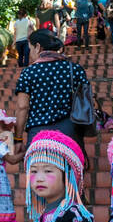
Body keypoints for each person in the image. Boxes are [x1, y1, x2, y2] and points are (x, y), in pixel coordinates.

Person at [12, 29, 95, 174]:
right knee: (70, 175)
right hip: (69, 130)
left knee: (43, 179)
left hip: (38, 133)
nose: (29, 52)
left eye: (30, 48)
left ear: (38, 47)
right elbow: (88, 100)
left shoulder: (28, 72)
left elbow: (22, 106)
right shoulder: (74, 69)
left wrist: (18, 138)